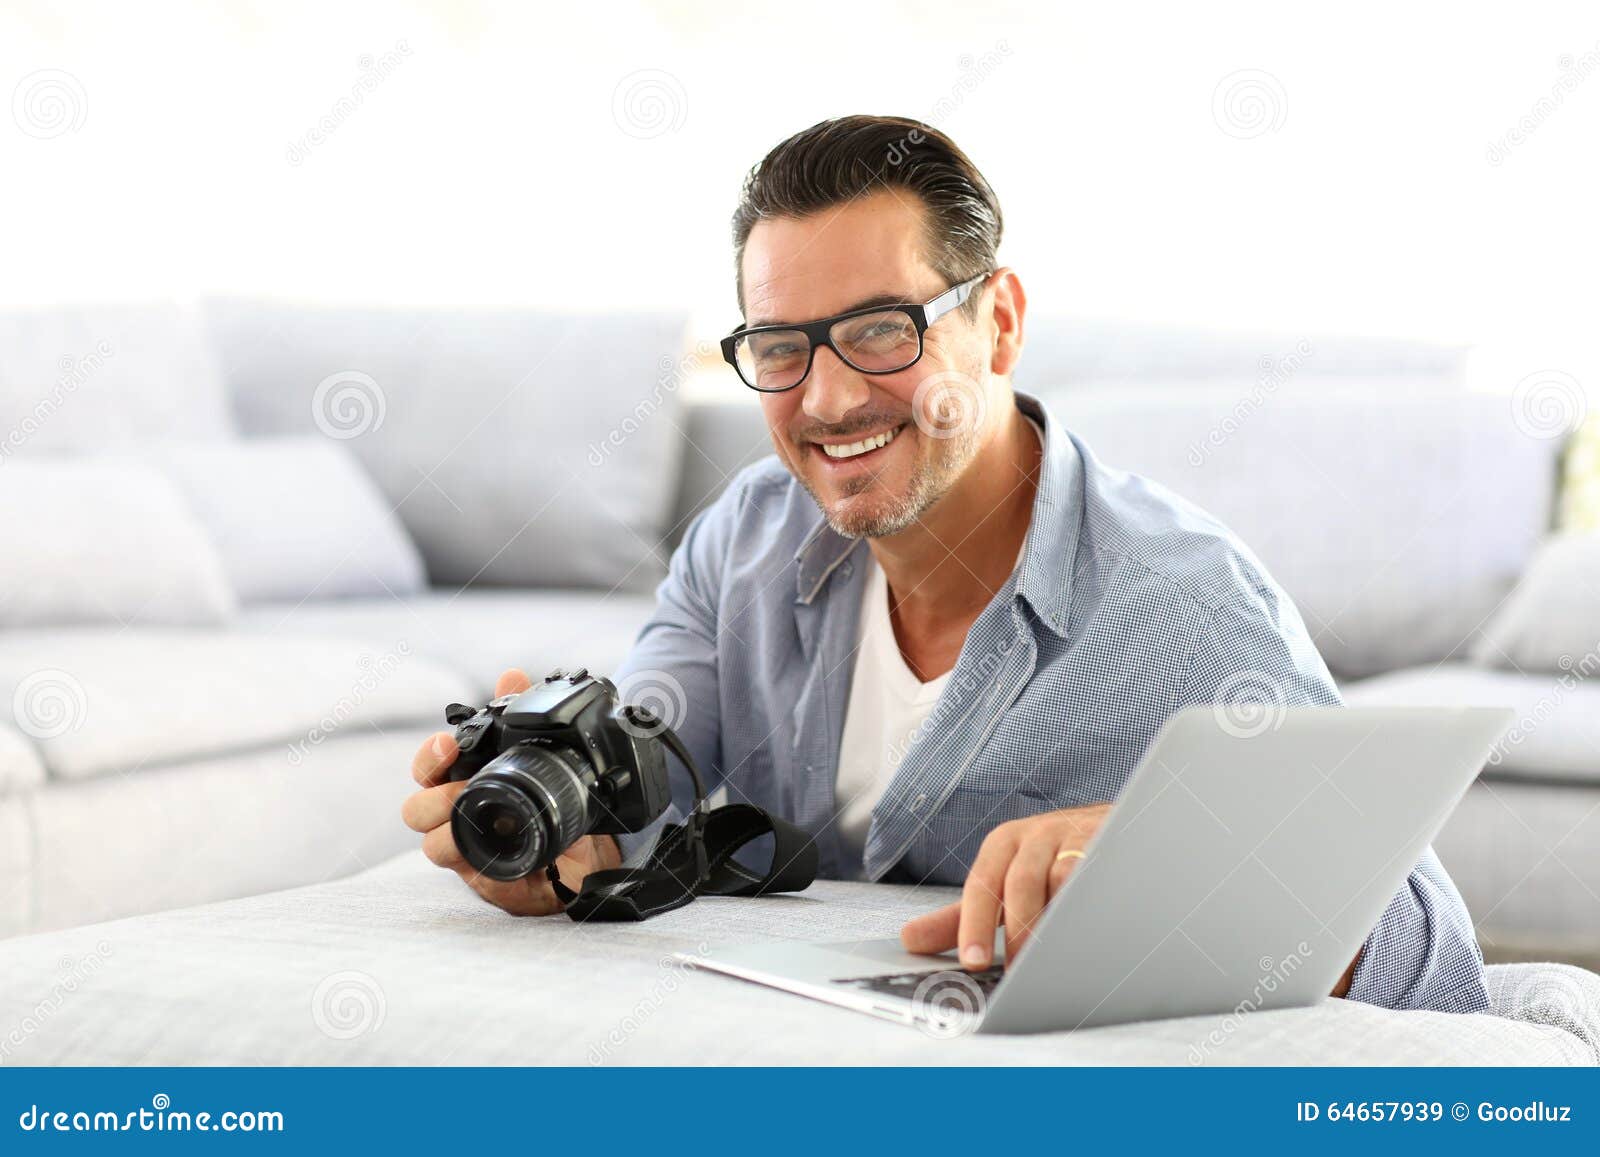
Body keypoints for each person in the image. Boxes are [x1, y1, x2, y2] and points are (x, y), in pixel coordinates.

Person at [402, 115, 1489, 1012]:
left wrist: (1180, 865)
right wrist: (559, 835)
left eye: (881, 330)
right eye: (779, 347)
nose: (828, 399)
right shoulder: (743, 538)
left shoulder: (1189, 608)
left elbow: (1430, 955)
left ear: (999, 323)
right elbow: (650, 771)